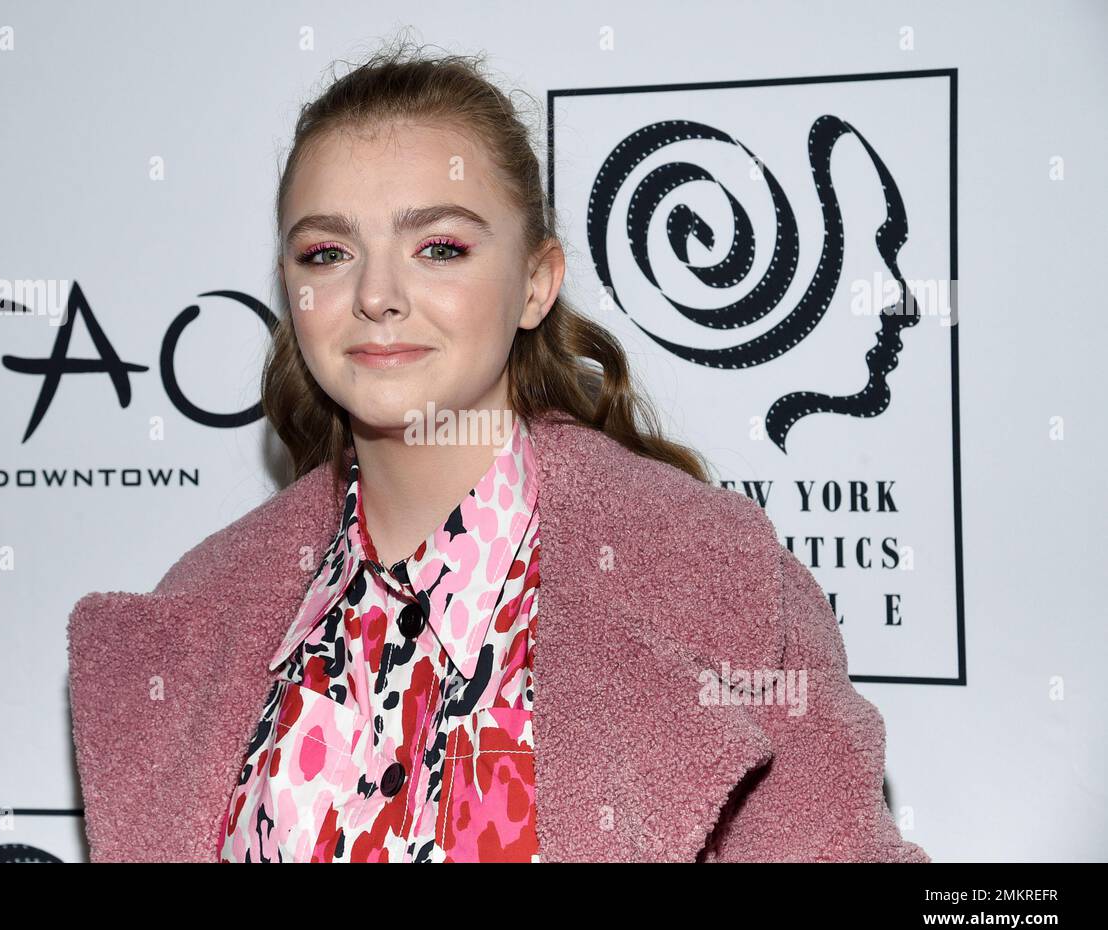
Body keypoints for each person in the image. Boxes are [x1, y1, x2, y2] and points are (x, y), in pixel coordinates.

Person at [66, 39, 930, 863]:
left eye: (438, 247)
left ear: (535, 283)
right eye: (327, 253)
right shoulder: (198, 615)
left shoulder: (718, 578)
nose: (375, 294)